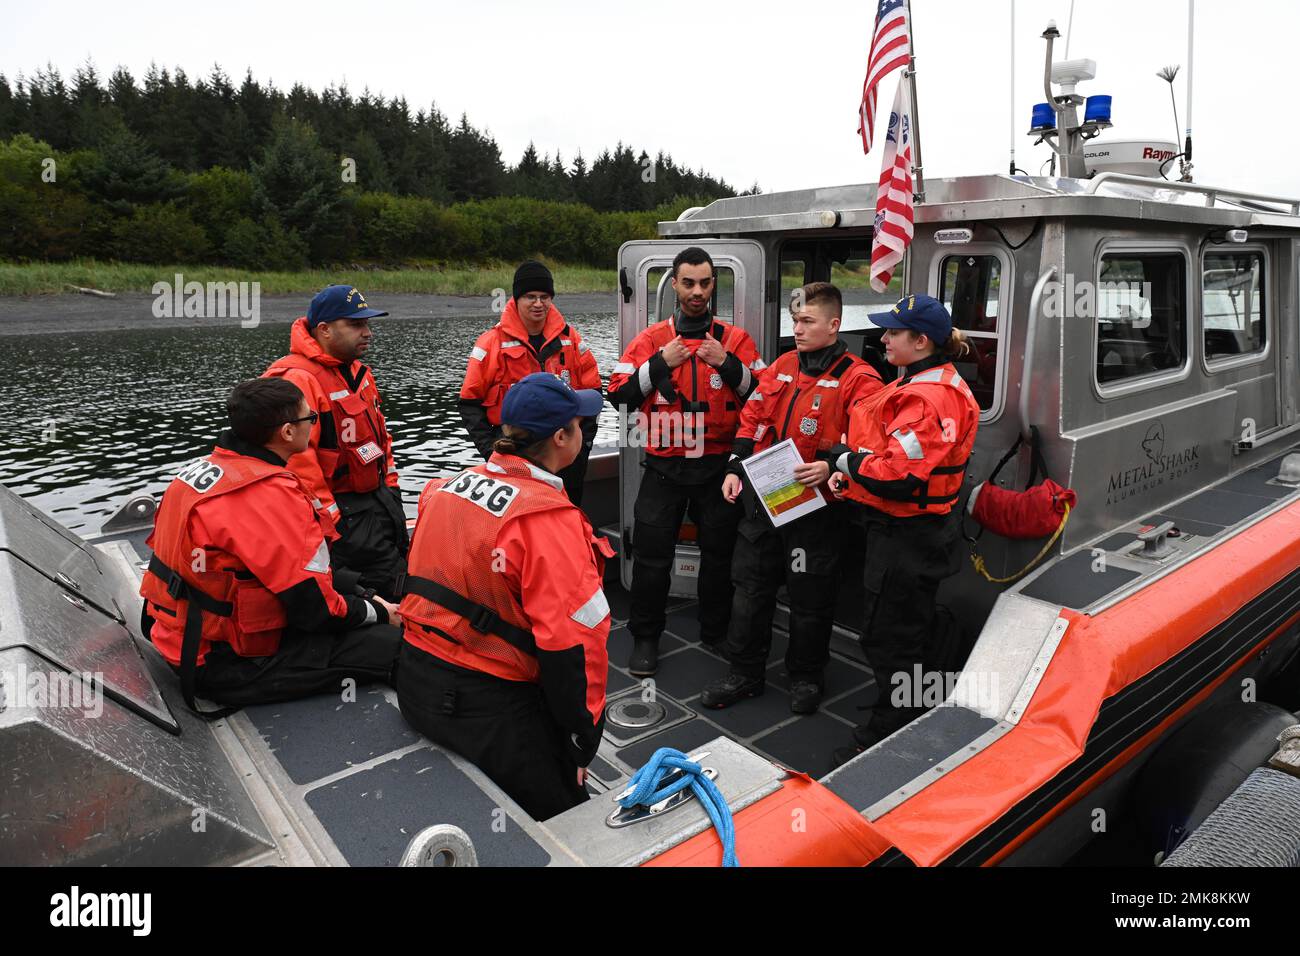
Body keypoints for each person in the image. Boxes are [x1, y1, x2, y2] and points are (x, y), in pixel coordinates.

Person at [396, 373, 613, 821]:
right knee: (568, 817)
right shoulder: (547, 521)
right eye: (580, 423)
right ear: (560, 437)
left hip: (415, 683)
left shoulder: (442, 489)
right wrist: (581, 739)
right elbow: (572, 646)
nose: (585, 430)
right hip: (488, 707)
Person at [140, 379, 403, 717]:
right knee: (398, 645)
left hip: (177, 636)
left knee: (359, 600)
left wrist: (360, 592)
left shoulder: (203, 469)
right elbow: (316, 612)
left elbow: (270, 569)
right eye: (310, 419)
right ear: (288, 433)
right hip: (224, 663)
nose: (314, 425)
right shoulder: (270, 494)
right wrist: (380, 612)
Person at [699, 283, 885, 714]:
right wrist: (733, 467)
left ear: (834, 325)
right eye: (795, 321)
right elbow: (753, 416)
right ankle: (744, 673)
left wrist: (834, 465)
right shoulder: (782, 364)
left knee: (810, 596)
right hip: (765, 498)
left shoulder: (859, 378)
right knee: (750, 587)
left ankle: (806, 676)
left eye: (807, 322)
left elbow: (872, 445)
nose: (797, 329)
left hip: (815, 508)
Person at [826, 294, 980, 764]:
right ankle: (917, 703)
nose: (884, 339)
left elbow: (897, 476)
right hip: (918, 531)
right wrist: (852, 471)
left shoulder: (928, 398)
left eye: (894, 333)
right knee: (911, 625)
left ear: (922, 341)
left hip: (908, 536)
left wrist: (843, 459)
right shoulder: (929, 383)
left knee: (888, 636)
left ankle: (889, 734)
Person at [607, 246, 764, 676]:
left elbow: (763, 398)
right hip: (664, 468)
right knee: (652, 559)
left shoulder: (735, 341)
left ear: (714, 285)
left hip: (717, 468)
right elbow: (618, 395)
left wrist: (727, 364)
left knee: (719, 557)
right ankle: (644, 639)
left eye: (705, 283)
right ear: (674, 285)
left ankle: (714, 632)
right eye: (689, 282)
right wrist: (660, 363)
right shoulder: (650, 340)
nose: (698, 291)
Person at [264, 284, 407, 599]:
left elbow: (382, 437)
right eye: (356, 325)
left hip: (379, 500)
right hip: (345, 512)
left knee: (400, 572)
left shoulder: (358, 373)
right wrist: (333, 522)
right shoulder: (298, 379)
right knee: (392, 585)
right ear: (325, 330)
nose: (367, 332)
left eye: (367, 324)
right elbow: (296, 461)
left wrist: (393, 486)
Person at [458, 261, 602, 504]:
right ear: (516, 299)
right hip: (516, 460)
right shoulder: (490, 343)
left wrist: (582, 446)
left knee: (568, 520)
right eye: (530, 297)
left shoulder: (571, 339)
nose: (538, 304)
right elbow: (469, 404)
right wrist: (492, 450)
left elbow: (594, 393)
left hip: (565, 457)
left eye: (544, 296)